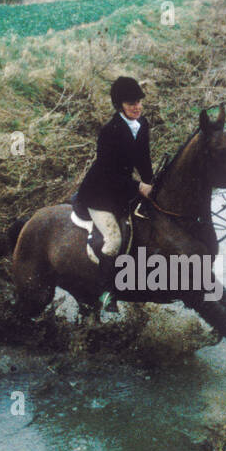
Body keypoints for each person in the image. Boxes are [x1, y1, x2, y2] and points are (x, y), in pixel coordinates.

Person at [74, 76, 154, 309]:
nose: (137, 107)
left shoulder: (142, 124)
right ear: (120, 106)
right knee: (113, 240)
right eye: (131, 104)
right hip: (99, 194)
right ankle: (106, 292)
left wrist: (151, 183)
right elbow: (109, 174)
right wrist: (139, 186)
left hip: (121, 191)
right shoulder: (109, 132)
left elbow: (144, 159)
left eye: (139, 102)